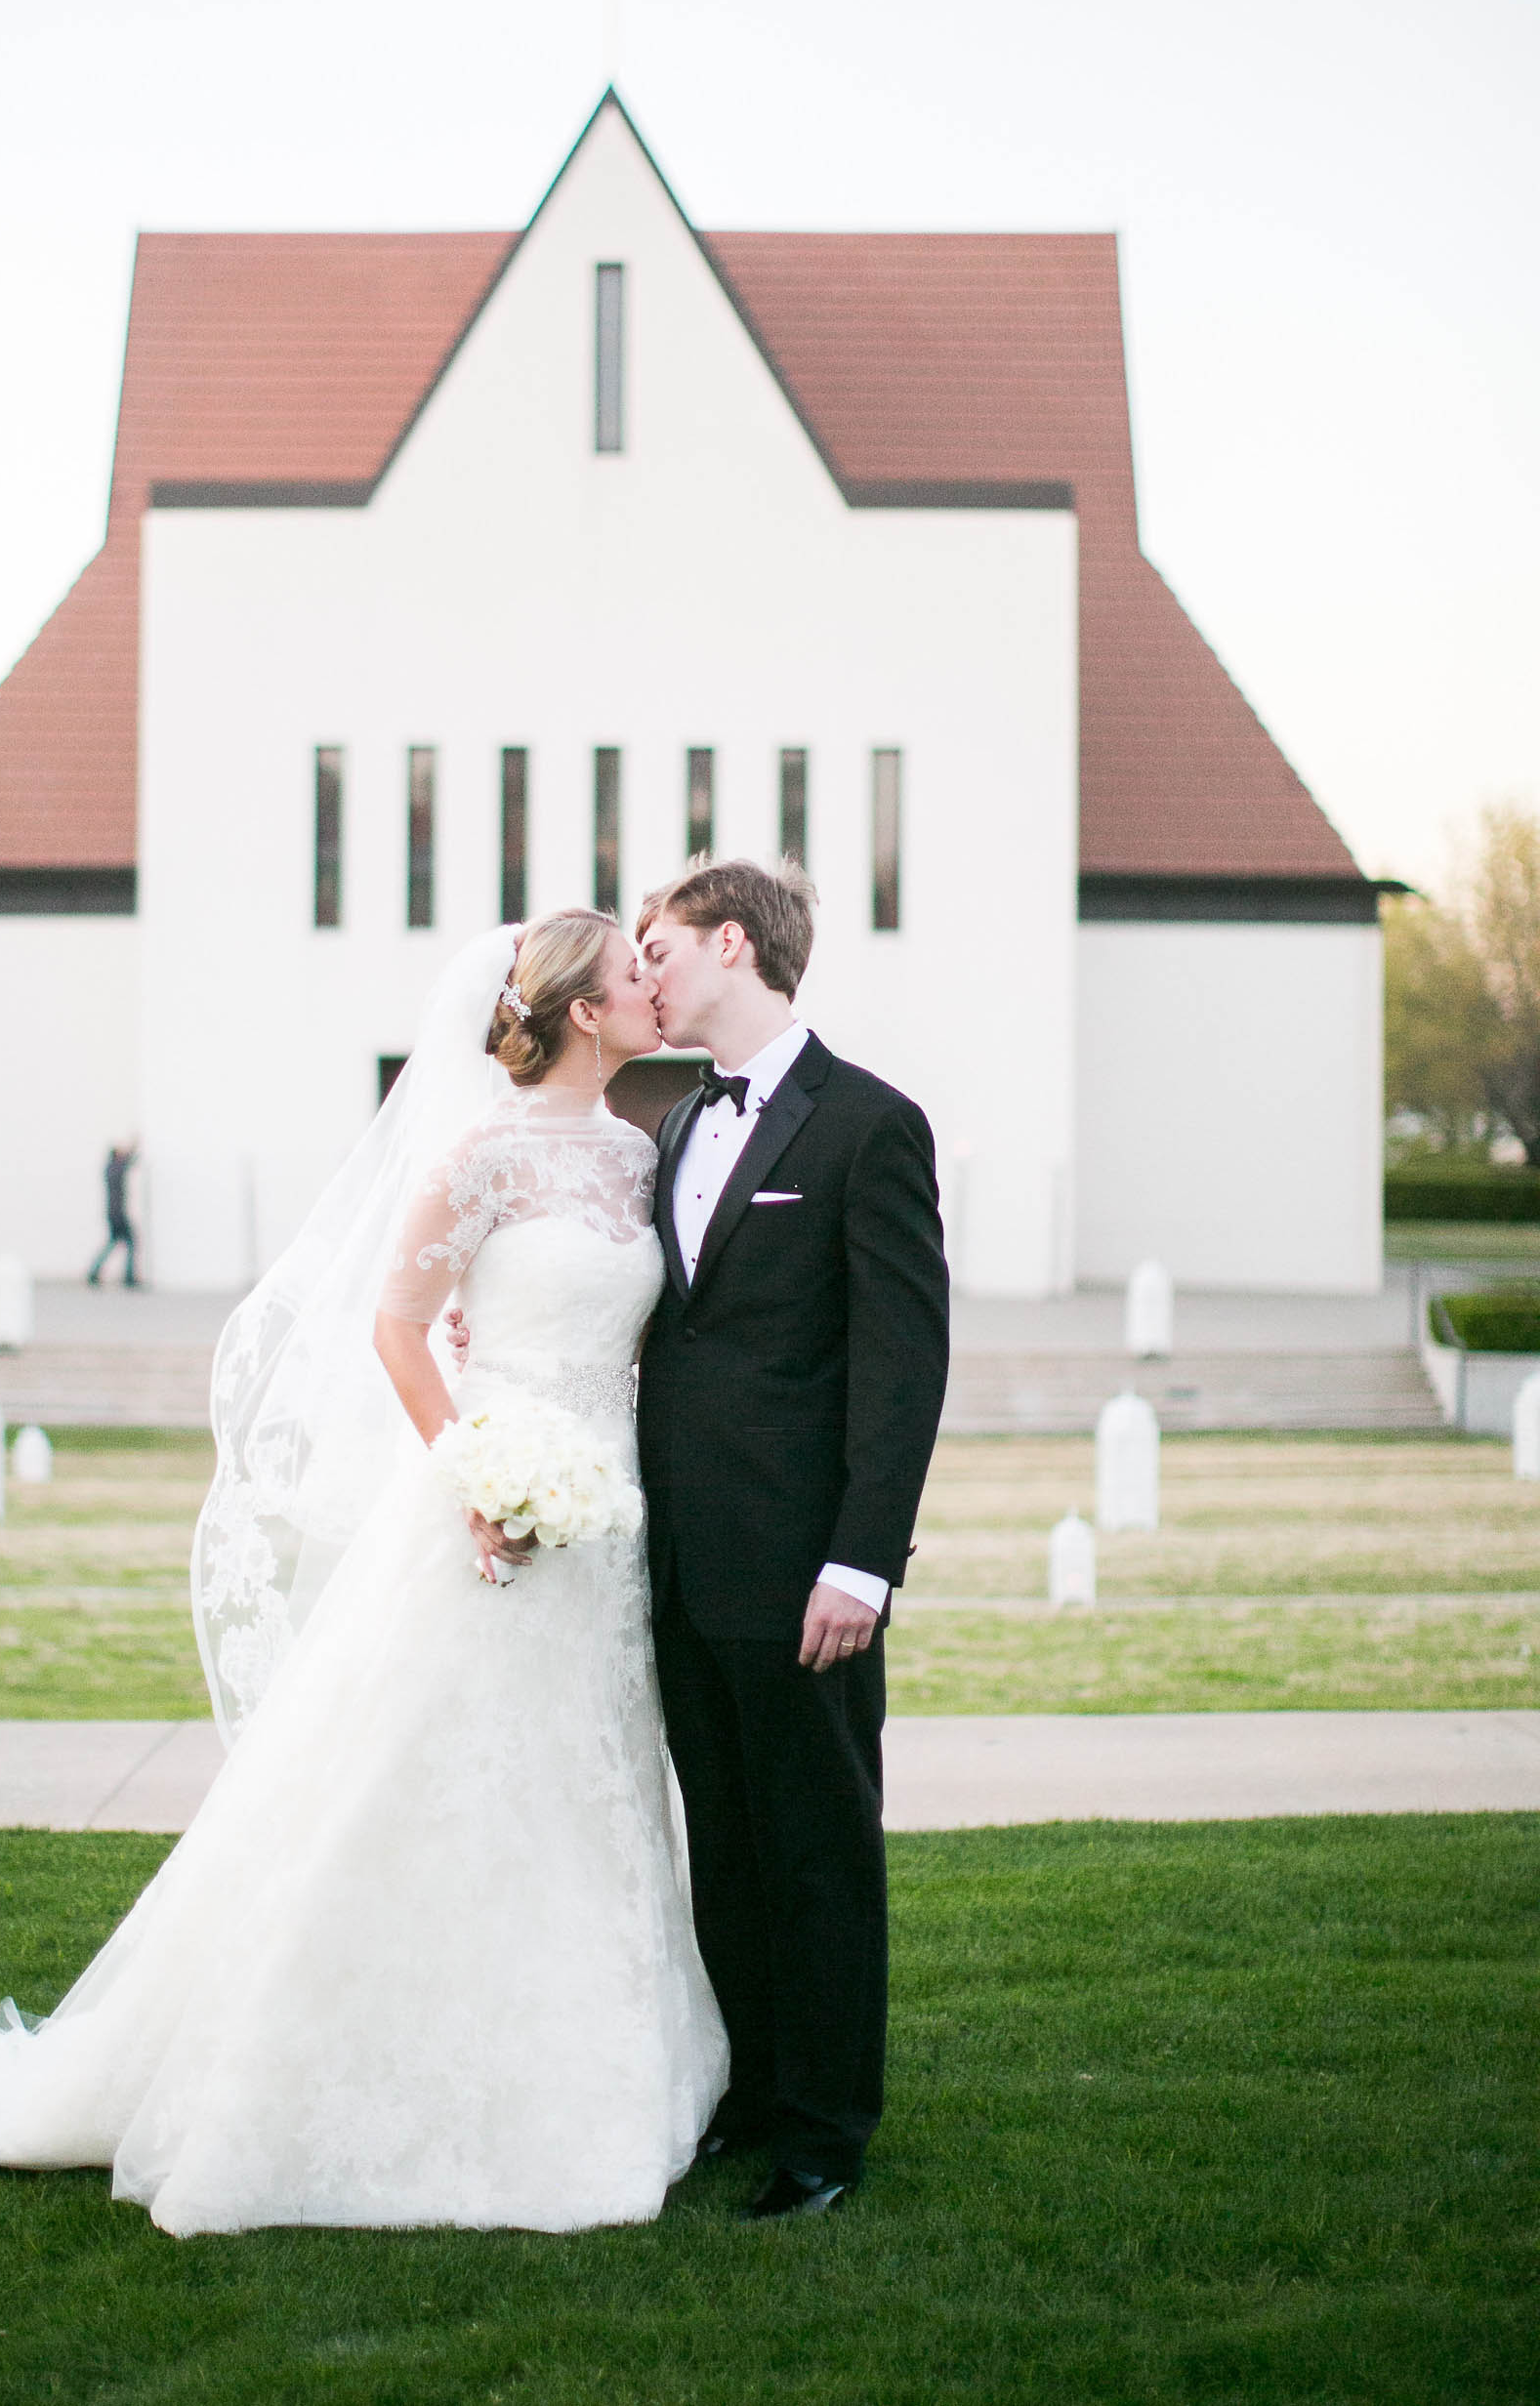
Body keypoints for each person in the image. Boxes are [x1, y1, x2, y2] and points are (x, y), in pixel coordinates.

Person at [0, 913, 728, 2236]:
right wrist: (478, 1475)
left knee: (593, 1794)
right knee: (428, 1785)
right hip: (491, 1514)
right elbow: (399, 1328)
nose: (654, 991)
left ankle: (601, 2073)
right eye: (633, 974)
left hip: (608, 1531)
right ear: (577, 1009)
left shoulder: (642, 1156)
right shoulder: (479, 1158)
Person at [634, 857, 949, 2219]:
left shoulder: (871, 1126)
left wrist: (861, 1561)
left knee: (820, 1852)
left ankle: (825, 2133)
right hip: (682, 1571)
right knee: (730, 1844)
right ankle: (755, 2091)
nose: (642, 974)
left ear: (728, 944)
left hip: (806, 1570)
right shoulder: (672, 1129)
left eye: (656, 949)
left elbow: (903, 1364)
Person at [86, 1141, 139, 1287]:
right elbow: (130, 1161)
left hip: (113, 1213)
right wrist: (134, 1146)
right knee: (131, 1243)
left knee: (113, 1243)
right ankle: (129, 1277)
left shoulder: (110, 1169)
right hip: (118, 1213)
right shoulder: (116, 1168)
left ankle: (94, 1272)